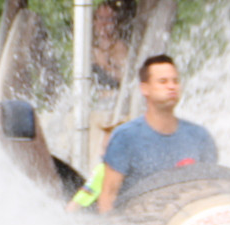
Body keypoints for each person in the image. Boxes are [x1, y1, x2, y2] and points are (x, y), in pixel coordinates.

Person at [93, 54, 217, 213]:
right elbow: (108, 196)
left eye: (175, 81)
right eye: (163, 81)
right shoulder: (125, 137)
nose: (171, 86)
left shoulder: (200, 136)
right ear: (145, 88)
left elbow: (212, 189)